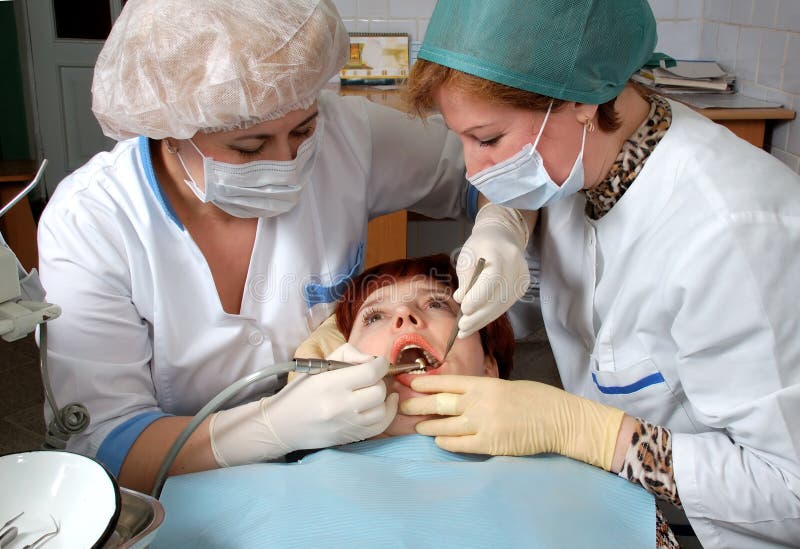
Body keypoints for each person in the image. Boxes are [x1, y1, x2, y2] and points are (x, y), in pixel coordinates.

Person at [36, 0, 494, 495]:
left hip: (333, 481)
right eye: (249, 147)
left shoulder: (349, 134)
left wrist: (501, 230)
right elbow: (108, 447)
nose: (287, 161)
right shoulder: (92, 221)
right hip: (174, 495)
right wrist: (271, 428)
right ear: (170, 131)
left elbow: (484, 169)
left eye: (303, 130)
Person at [398, 0, 800, 547]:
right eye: (461, 138)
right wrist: (500, 228)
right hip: (607, 503)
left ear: (581, 101)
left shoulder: (733, 233)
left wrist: (590, 433)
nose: (472, 171)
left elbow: (787, 492)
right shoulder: (584, 158)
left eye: (488, 139)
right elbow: (552, 277)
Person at [330, 253, 515, 436]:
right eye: (374, 317)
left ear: (489, 368)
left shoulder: (531, 436)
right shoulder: (311, 439)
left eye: (436, 304)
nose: (403, 311)